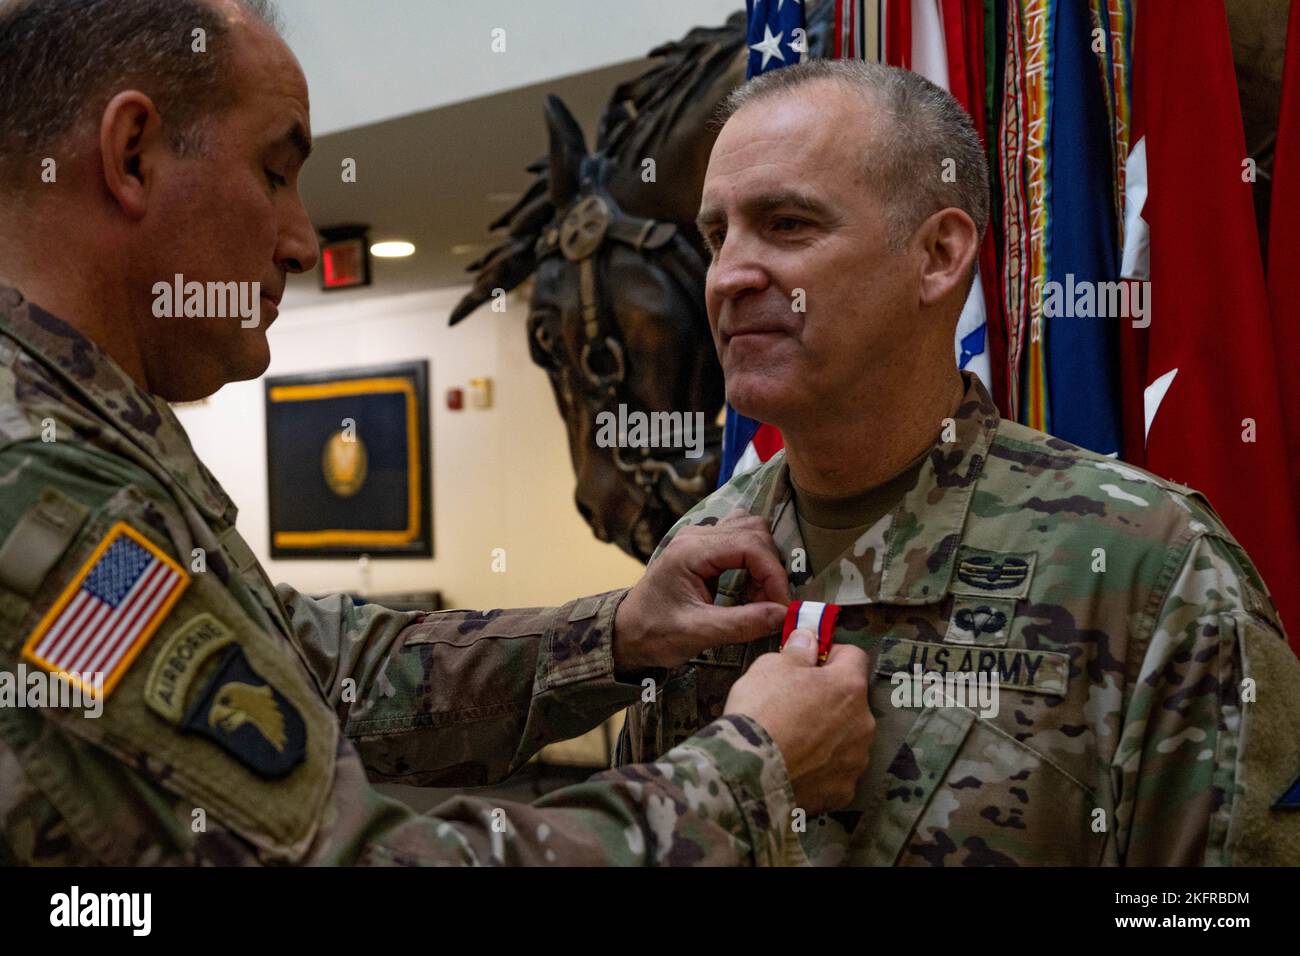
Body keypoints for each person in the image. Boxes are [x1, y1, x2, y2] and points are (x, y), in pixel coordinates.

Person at [0, 0, 875, 865]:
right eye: (274, 172)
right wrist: (753, 772)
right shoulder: (39, 487)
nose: (303, 243)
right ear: (132, 155)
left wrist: (617, 633)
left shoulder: (84, 434)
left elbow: (317, 669)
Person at [616, 58, 1300, 866]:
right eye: (716, 233)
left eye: (788, 224)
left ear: (938, 254)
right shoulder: (701, 557)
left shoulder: (1147, 565)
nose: (728, 274)